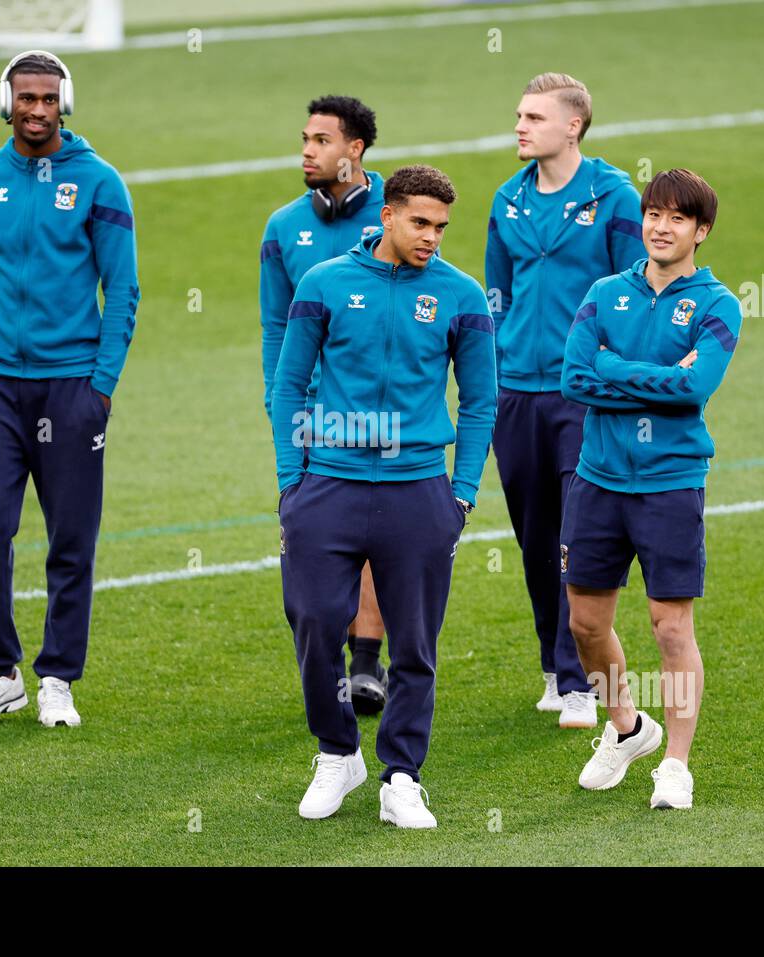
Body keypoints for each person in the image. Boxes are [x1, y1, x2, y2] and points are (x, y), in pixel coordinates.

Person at [271, 165, 496, 828]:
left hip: (419, 492)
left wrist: (462, 494)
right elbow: (289, 387)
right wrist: (292, 481)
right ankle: (338, 751)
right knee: (314, 622)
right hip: (328, 487)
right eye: (420, 223)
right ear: (390, 217)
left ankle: (402, 774)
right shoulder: (324, 283)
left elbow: (482, 400)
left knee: (415, 644)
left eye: (441, 227)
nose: (431, 237)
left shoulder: (463, 296)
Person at [0, 50, 140, 728]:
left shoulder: (99, 183)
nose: (37, 110)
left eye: (49, 99)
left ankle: (57, 676)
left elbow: (124, 291)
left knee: (71, 539)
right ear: (6, 101)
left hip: (70, 391)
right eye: (26, 98)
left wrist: (101, 385)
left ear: (66, 102)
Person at [560, 169, 742, 809]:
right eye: (653, 215)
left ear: (701, 231)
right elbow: (575, 379)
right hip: (598, 481)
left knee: (670, 628)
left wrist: (613, 366)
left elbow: (696, 389)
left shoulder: (719, 306)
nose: (662, 228)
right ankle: (629, 728)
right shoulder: (604, 292)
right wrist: (655, 375)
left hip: (670, 483)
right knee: (585, 624)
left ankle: (675, 763)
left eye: (677, 219)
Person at [485, 72, 647, 729]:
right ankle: (554, 669)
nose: (520, 126)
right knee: (534, 536)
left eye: (533, 117)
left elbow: (637, 291)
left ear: (572, 125)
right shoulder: (506, 199)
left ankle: (580, 680)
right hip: (516, 392)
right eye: (518, 115)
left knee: (576, 535)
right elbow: (496, 295)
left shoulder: (613, 196)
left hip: (583, 395)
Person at [260, 96, 392, 715]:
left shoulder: (399, 212)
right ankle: (327, 656)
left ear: (355, 150)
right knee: (308, 545)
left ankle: (365, 665)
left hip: (380, 412)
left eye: (321, 140)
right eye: (304, 139)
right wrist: (276, 400)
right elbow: (273, 327)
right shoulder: (284, 227)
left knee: (373, 540)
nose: (307, 151)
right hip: (309, 415)